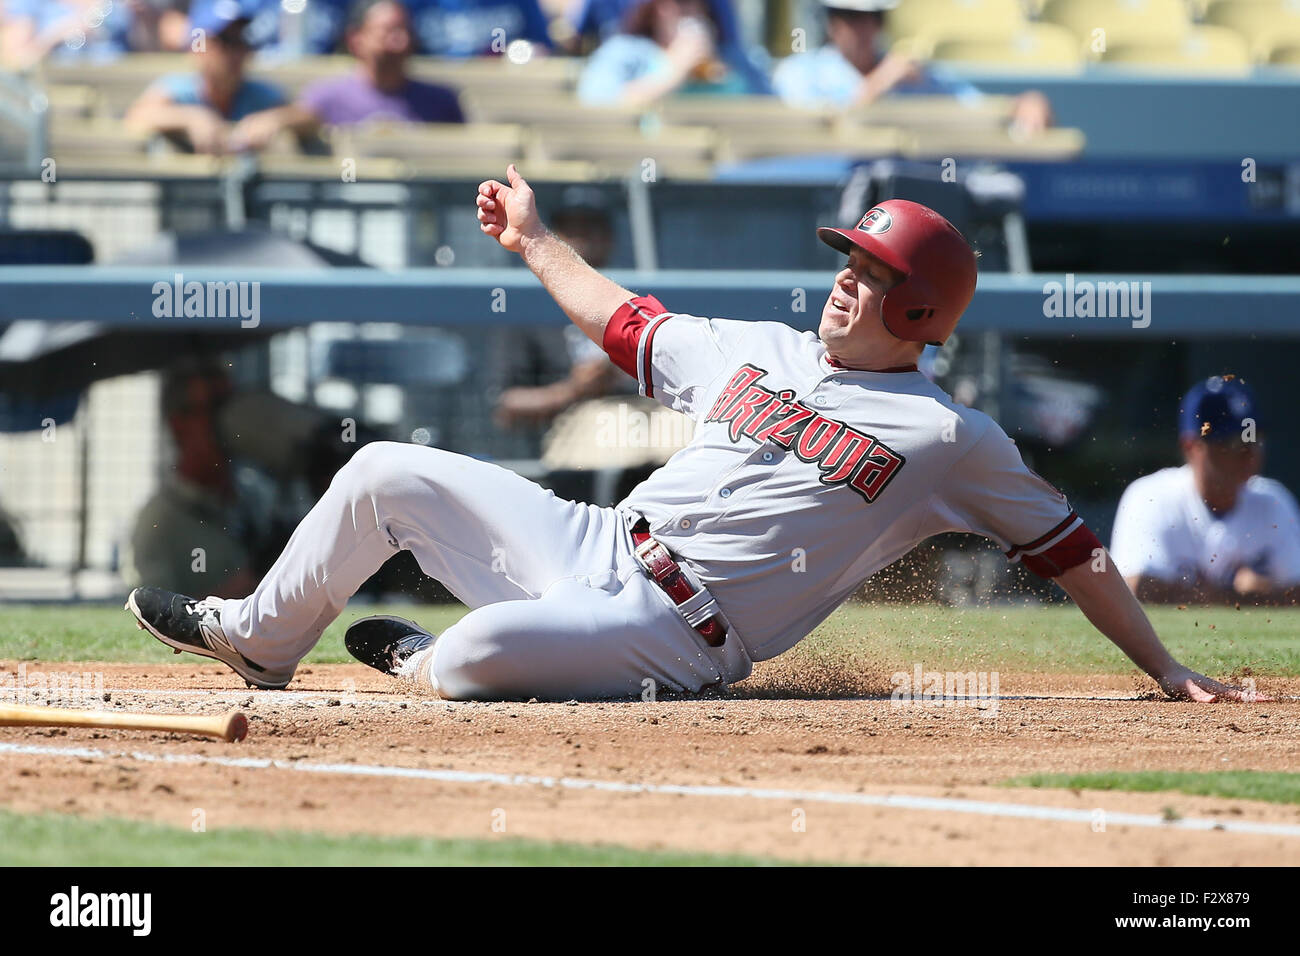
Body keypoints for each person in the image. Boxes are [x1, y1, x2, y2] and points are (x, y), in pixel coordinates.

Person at [126, 164, 1260, 705]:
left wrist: (1163, 664)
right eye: (847, 264)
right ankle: (260, 636)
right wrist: (529, 243)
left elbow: (1073, 551)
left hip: (679, 629)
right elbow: (623, 317)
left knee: (465, 664)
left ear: (919, 310)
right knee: (381, 470)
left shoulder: (948, 435)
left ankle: (430, 659)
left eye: (870, 277)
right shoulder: (761, 348)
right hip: (591, 540)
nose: (844, 285)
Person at [1111, 376, 1300, 605]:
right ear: (1191, 447)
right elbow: (1138, 587)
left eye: (1255, 439)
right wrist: (1244, 596)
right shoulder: (1151, 495)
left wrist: (1197, 592)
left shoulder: (1273, 500)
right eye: (1233, 443)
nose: (1250, 454)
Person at [772, 0, 1052, 134]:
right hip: (827, 204)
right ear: (831, 22)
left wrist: (1024, 103)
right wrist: (878, 85)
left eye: (875, 17)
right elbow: (816, 132)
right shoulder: (798, 73)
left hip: (906, 204)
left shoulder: (908, 73)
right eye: (851, 17)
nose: (866, 28)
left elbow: (973, 105)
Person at [264, 0, 464, 139]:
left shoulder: (441, 101)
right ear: (356, 39)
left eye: (405, 30)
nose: (400, 41)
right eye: (388, 31)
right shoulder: (326, 98)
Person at [123, 0, 296, 155]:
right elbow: (137, 115)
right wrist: (192, 117)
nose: (235, 53)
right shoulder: (181, 88)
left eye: (242, 39)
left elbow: (306, 114)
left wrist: (276, 119)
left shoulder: (258, 95)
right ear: (198, 45)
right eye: (225, 40)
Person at [576, 0, 770, 108]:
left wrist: (725, 76)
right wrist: (674, 71)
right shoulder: (625, 52)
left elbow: (773, 109)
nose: (686, 11)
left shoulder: (734, 58)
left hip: (728, 174)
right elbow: (596, 103)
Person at [405, 0, 552, 57]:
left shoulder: (521, 3)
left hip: (502, 92)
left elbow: (543, 48)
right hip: (430, 98)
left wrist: (516, 53)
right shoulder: (415, 4)